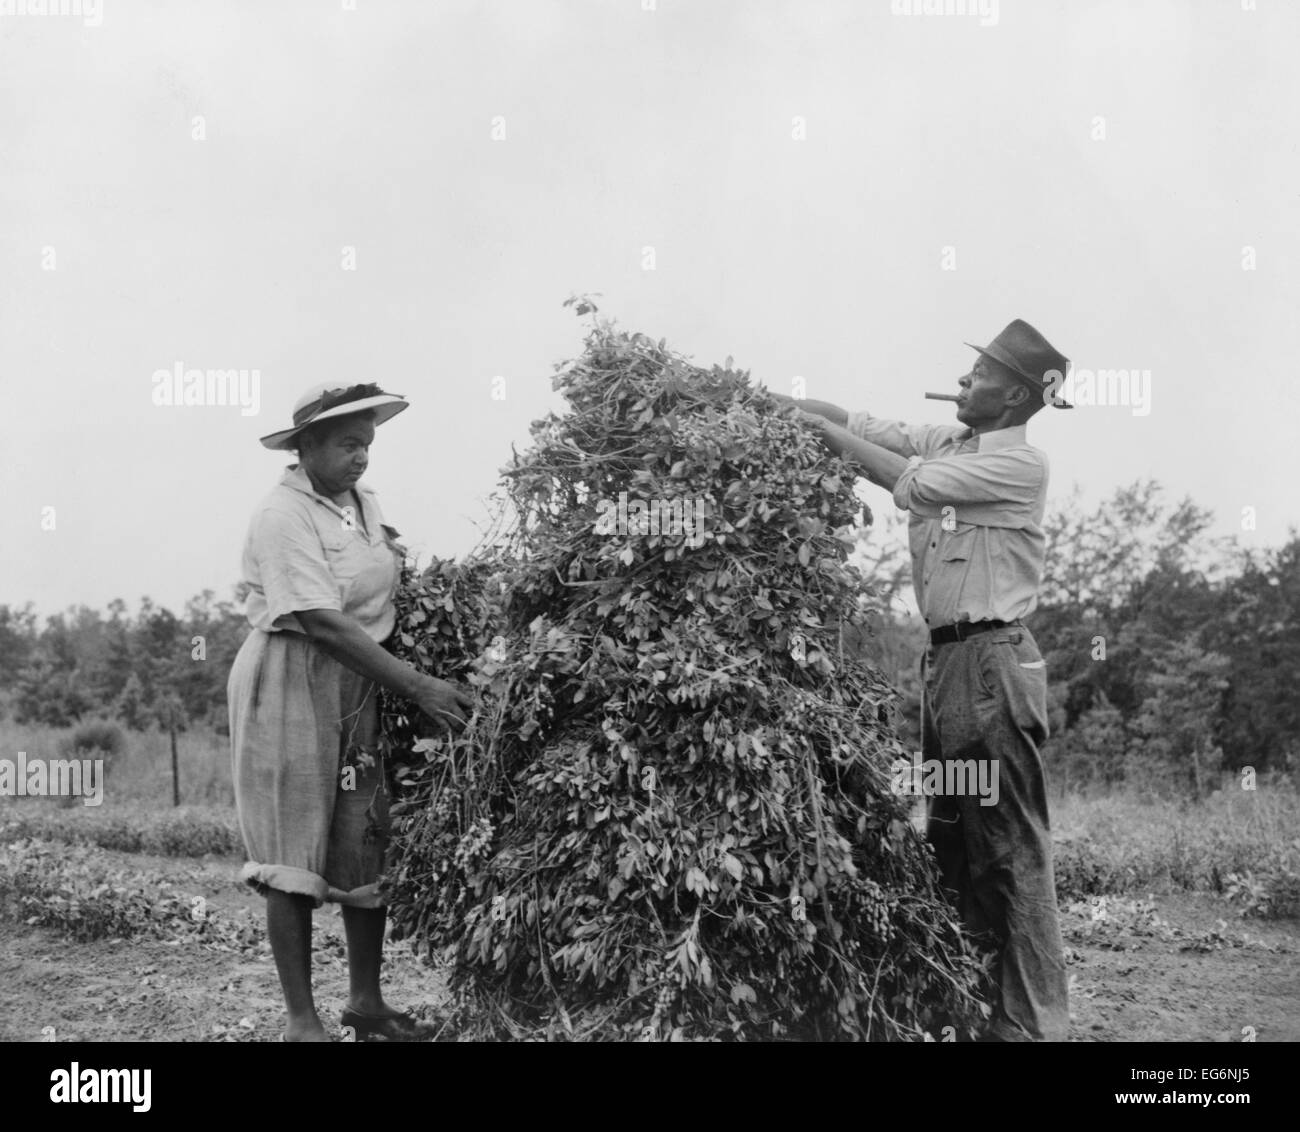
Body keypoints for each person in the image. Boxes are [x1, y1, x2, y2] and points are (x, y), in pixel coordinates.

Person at [771, 320, 1072, 1042]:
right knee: (950, 834)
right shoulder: (953, 440)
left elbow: (902, 481)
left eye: (979, 376)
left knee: (1007, 845)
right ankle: (970, 1007)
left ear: (1014, 395)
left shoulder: (1018, 467)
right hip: (947, 663)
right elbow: (860, 423)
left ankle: (1035, 1027)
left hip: (995, 664)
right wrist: (767, 402)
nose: (963, 382)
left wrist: (827, 439)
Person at [227, 381, 473, 1042]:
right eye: (346, 444)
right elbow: (319, 620)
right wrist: (418, 686)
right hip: (290, 677)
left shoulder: (362, 503)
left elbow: (374, 586)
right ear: (305, 447)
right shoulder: (282, 515)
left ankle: (367, 1003)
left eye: (366, 443)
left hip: (358, 680)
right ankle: (302, 1020)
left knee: (367, 832)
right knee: (294, 843)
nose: (360, 457)